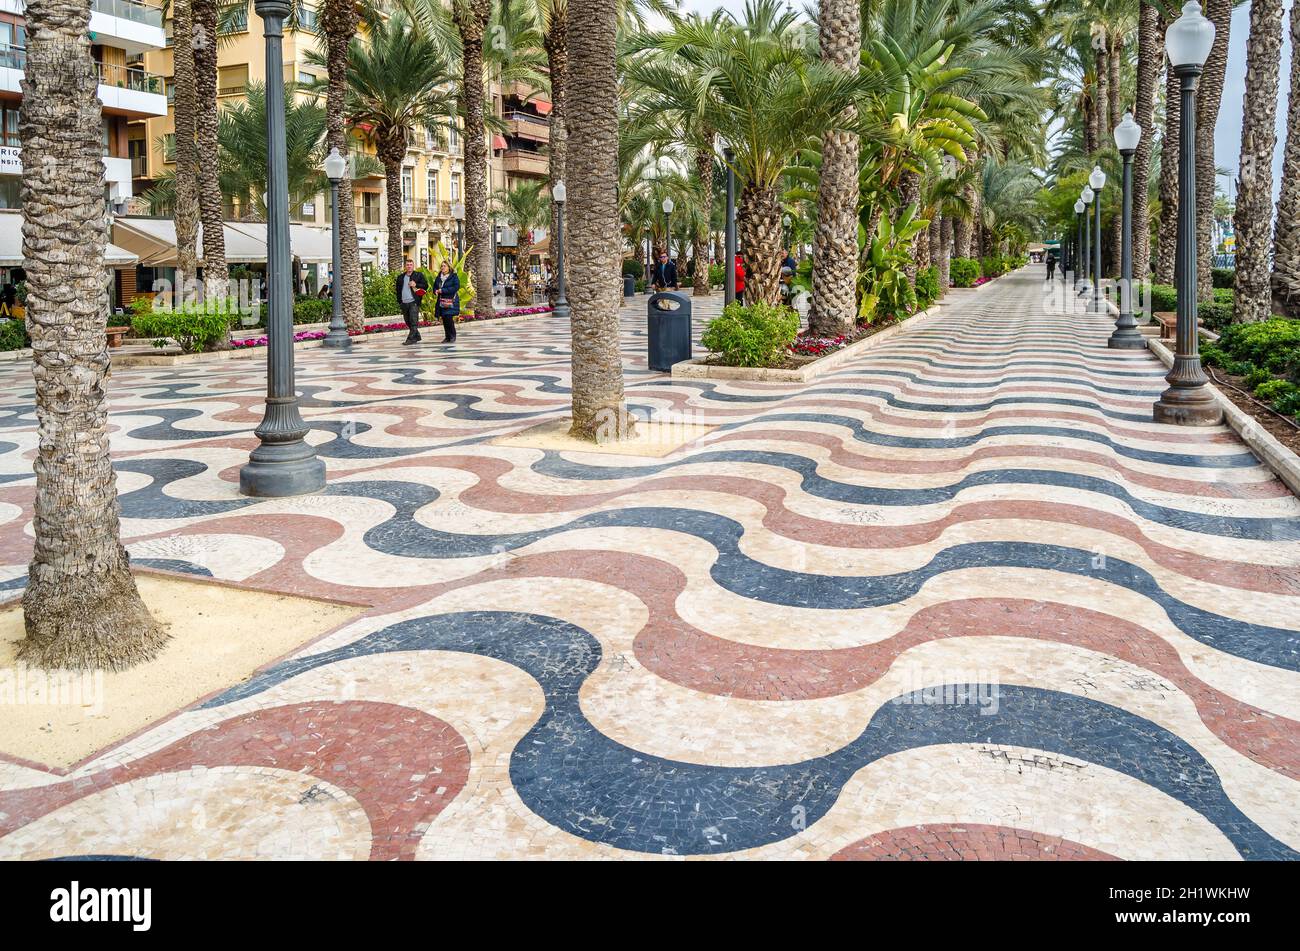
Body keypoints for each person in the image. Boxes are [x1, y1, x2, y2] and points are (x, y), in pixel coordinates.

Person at [395, 259, 427, 345]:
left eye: (411, 265)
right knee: (408, 321)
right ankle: (417, 336)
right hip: (404, 302)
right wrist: (399, 301)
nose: (409, 266)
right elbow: (398, 290)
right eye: (407, 264)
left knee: (413, 321)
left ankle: (410, 339)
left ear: (413, 266)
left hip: (414, 302)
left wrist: (416, 284)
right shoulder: (400, 277)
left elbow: (425, 286)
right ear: (405, 266)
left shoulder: (418, 275)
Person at [432, 260, 460, 344]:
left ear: (449, 267)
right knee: (444, 319)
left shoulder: (453, 276)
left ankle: (452, 336)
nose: (442, 267)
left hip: (451, 301)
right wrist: (435, 291)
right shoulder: (438, 277)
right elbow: (435, 287)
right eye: (442, 266)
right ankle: (447, 337)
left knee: (448, 318)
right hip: (441, 301)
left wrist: (443, 290)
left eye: (444, 266)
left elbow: (456, 287)